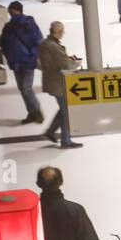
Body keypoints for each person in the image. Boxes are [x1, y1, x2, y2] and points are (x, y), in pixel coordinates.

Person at [38, 21, 83, 149]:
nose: (63, 33)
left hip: (51, 81)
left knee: (64, 109)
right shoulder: (54, 47)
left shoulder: (44, 43)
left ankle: (51, 131)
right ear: (58, 32)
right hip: (58, 84)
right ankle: (66, 141)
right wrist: (76, 63)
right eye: (62, 31)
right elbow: (66, 65)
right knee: (67, 112)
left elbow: (45, 63)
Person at [0, 0, 45, 124]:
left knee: (26, 88)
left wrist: (34, 55)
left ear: (18, 10)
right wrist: (8, 56)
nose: (11, 14)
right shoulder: (8, 27)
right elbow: (3, 43)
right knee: (22, 88)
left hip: (28, 61)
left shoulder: (28, 24)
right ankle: (31, 113)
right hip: (15, 63)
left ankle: (37, 111)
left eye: (13, 11)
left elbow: (38, 41)